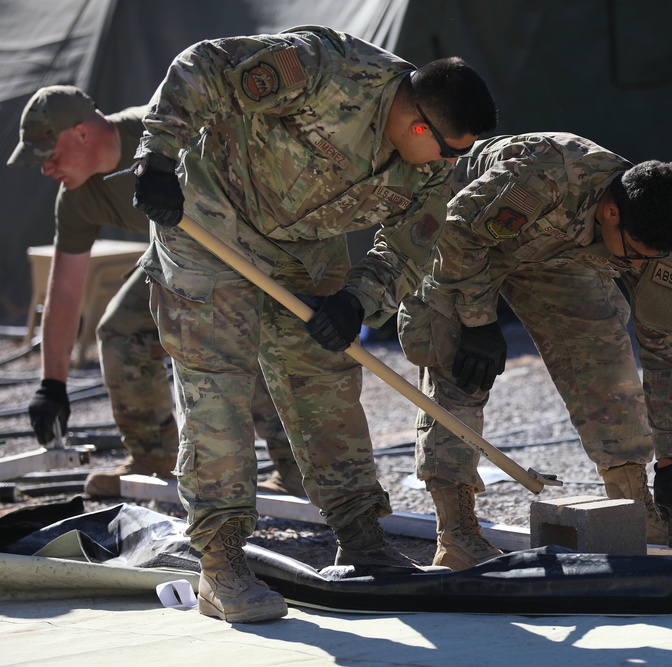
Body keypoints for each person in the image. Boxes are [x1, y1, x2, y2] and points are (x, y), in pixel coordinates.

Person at [130, 27, 497, 622]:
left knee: (326, 383)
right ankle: (220, 566)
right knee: (217, 391)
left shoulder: (433, 166)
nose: (453, 165)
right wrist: (157, 153)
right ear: (418, 127)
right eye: (450, 151)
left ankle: (362, 538)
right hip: (210, 225)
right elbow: (207, 65)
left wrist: (358, 300)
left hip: (307, 249)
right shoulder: (326, 67)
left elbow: (411, 245)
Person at [396, 132, 672, 570]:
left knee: (603, 353)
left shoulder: (649, 236)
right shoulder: (545, 174)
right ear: (610, 211)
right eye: (634, 255)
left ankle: (635, 515)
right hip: (462, 243)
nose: (638, 266)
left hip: (550, 257)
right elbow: (459, 234)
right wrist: (478, 321)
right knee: (457, 362)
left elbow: (665, 345)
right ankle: (457, 536)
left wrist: (671, 457)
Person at [6, 85, 300, 499]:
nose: (46, 170)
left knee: (238, 339)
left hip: (247, 239)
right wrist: (51, 385)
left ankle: (297, 472)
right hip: (177, 250)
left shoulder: (166, 131)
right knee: (122, 330)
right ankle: (150, 458)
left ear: (82, 134)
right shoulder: (76, 197)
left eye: (49, 156)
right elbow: (65, 289)